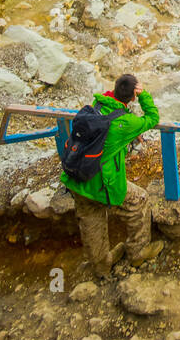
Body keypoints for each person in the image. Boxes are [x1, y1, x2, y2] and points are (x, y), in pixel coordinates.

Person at [61, 74, 163, 279]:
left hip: (77, 178)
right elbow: (153, 118)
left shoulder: (97, 104)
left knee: (91, 222)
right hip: (102, 184)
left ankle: (101, 267)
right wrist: (144, 97)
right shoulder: (126, 122)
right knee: (139, 201)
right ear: (133, 95)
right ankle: (137, 252)